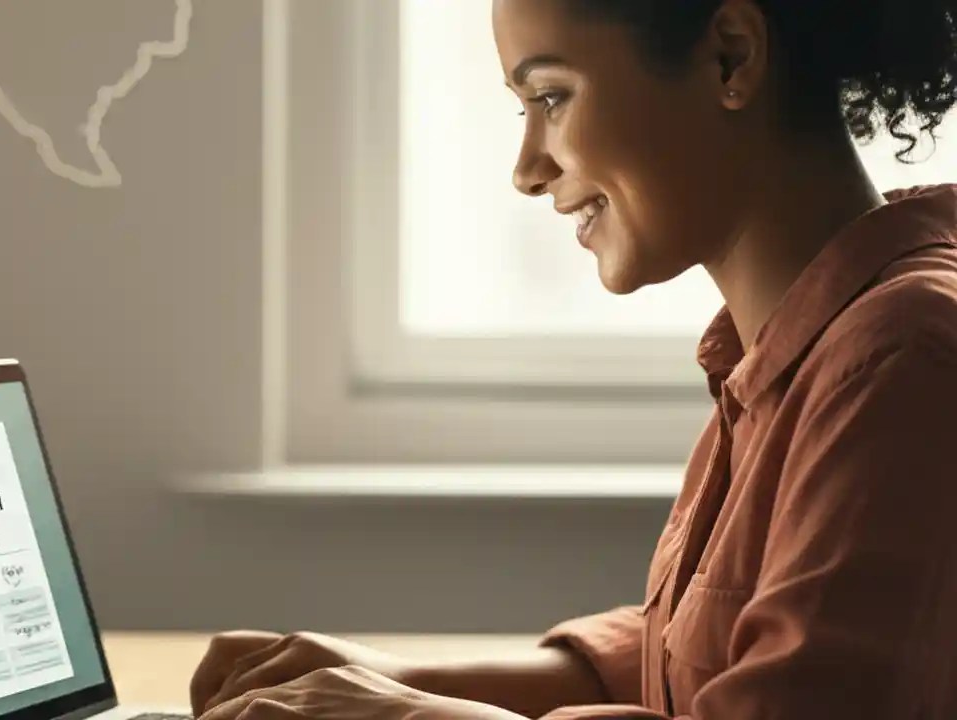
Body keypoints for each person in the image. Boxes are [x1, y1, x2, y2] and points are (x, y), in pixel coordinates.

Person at [192, 0, 957, 717]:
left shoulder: (898, 362)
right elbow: (694, 659)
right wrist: (393, 679)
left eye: (551, 98)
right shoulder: (789, 352)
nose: (528, 169)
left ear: (731, 58)